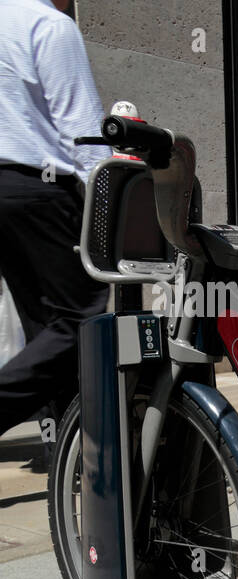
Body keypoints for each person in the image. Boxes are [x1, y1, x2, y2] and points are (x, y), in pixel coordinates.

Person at [0, 0, 111, 441]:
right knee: (79, 319)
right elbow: (84, 133)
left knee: (46, 330)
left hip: (9, 190)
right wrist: (108, 208)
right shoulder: (49, 25)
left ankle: (71, 452)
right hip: (38, 189)